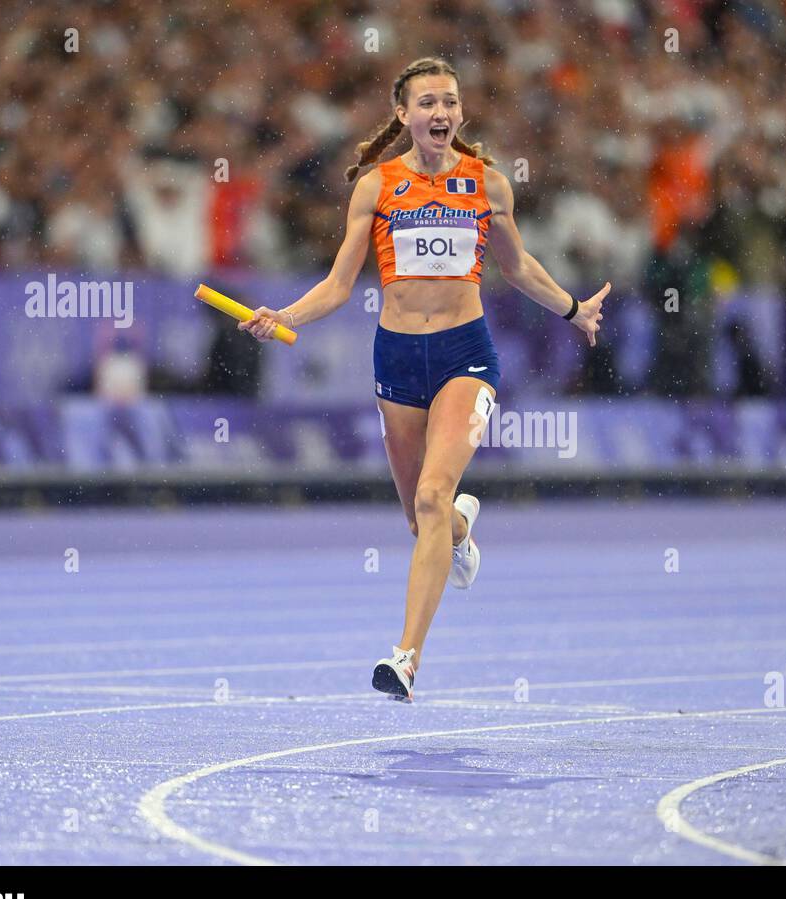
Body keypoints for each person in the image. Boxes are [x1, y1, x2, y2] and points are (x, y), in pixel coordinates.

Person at [238, 57, 610, 701]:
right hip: (398, 361)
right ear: (404, 116)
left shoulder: (488, 185)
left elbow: (518, 269)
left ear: (461, 114)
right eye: (428, 103)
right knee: (423, 517)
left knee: (433, 496)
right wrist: (284, 316)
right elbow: (337, 285)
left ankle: (405, 659)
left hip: (467, 355)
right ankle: (462, 532)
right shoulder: (376, 188)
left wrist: (575, 310)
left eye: (450, 102)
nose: (441, 113)